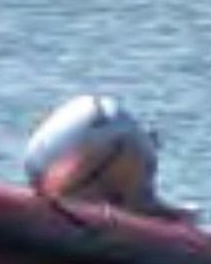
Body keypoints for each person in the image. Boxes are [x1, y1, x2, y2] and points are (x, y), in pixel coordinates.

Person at [24, 95, 195, 221]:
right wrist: (183, 215)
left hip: (37, 156)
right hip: (102, 131)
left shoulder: (125, 139)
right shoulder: (141, 150)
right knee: (133, 201)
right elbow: (144, 203)